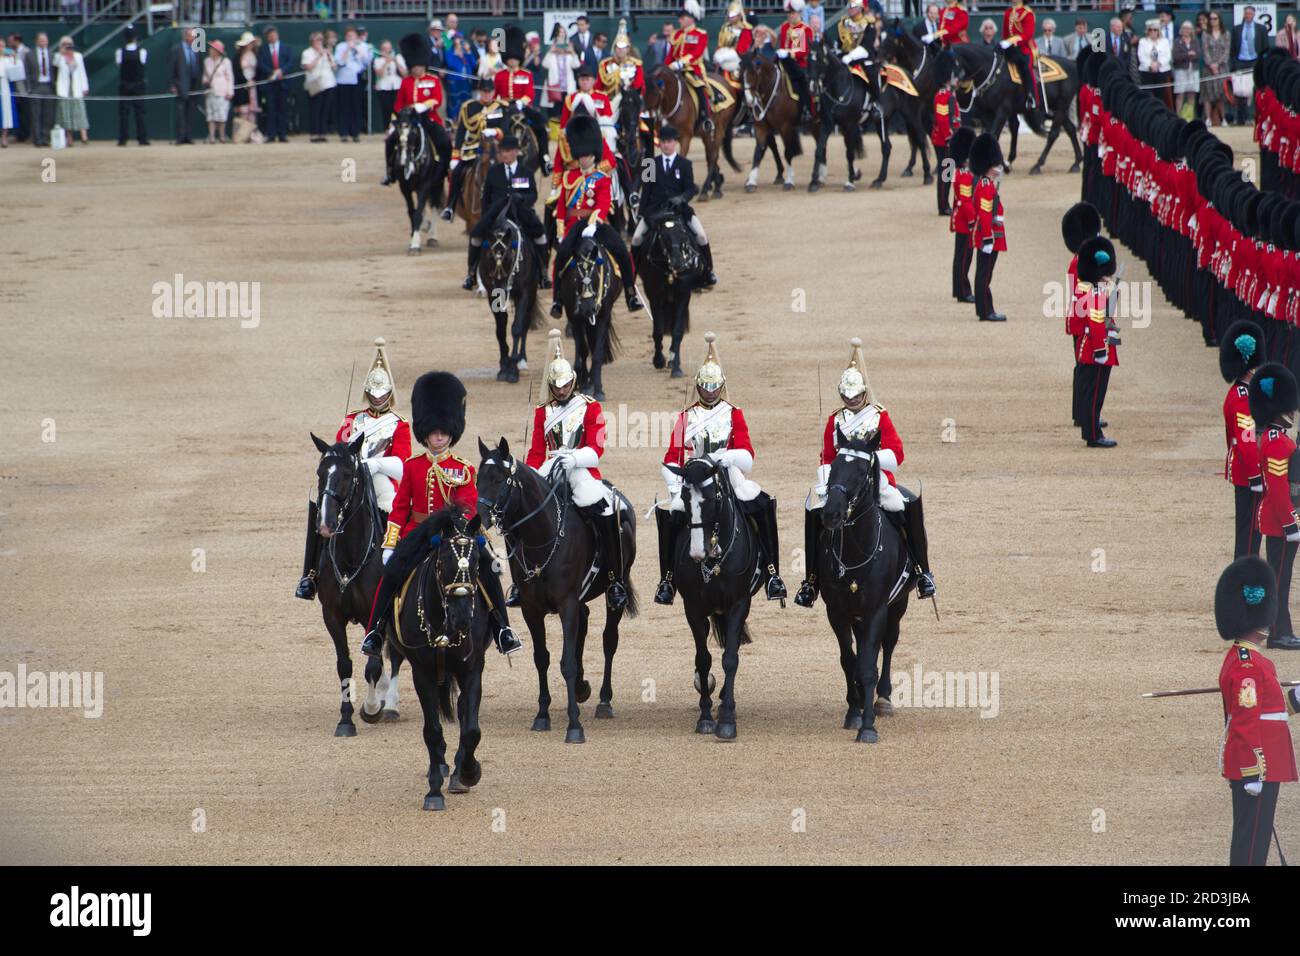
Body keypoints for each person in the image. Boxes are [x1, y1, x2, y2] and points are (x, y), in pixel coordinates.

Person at [362, 371, 522, 659]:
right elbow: (400, 508)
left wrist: (469, 535)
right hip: (417, 532)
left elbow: (471, 507)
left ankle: (502, 629)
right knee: (391, 573)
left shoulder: (463, 468)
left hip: (455, 535)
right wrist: (390, 543)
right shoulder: (412, 466)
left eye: (444, 432)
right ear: (425, 434)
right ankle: (375, 631)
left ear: (452, 432)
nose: (439, 436)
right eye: (434, 432)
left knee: (488, 571)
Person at [794, 338, 935, 607]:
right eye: (847, 396)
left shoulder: (879, 416)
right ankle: (811, 580)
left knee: (904, 505)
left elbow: (897, 453)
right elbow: (827, 455)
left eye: (856, 396)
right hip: (841, 483)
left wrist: (870, 460)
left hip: (875, 480)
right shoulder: (835, 419)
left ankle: (922, 570)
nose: (852, 400)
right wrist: (826, 484)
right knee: (815, 513)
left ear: (864, 392)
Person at [655, 332, 787, 605]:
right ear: (698, 386)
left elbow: (748, 454)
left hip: (728, 474)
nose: (710, 391)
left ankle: (773, 573)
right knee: (672, 514)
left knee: (760, 504)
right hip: (694, 477)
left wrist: (730, 457)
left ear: (722, 386)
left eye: (715, 387)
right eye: (705, 387)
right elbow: (672, 455)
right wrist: (674, 486)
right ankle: (667, 579)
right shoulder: (685, 416)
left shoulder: (733, 413)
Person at [518, 330, 630, 611]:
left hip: (581, 467)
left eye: (566, 386)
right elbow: (535, 451)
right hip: (550, 465)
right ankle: (520, 580)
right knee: (521, 507)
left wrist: (575, 459)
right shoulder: (542, 411)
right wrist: (530, 476)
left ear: (573, 382)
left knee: (603, 510)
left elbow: (597, 447)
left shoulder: (590, 407)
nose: (562, 390)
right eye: (556, 387)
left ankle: (615, 579)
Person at [297, 340, 412, 601]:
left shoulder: (399, 424)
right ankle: (311, 574)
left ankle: (396, 566)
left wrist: (375, 465)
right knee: (322, 503)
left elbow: (402, 465)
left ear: (389, 392)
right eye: (373, 392)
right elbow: (338, 447)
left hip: (381, 478)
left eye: (382, 393)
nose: (378, 397)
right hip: (351, 478)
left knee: (394, 508)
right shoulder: (353, 419)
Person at [1213, 556, 1300, 866]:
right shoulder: (1247, 665)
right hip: (1259, 767)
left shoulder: (1250, 661)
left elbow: (1271, 712)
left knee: (1255, 845)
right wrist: (1252, 772)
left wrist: (1297, 699)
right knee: (1251, 851)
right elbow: (1246, 721)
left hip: (1264, 764)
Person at [549, 114, 642, 316]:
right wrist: (560, 230)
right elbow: (562, 208)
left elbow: (604, 203)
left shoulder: (602, 178)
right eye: (580, 156)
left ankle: (630, 293)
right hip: (573, 224)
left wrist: (594, 222)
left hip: (597, 224)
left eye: (587, 156)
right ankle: (557, 301)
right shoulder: (568, 177)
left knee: (623, 254)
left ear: (594, 156)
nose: (583, 159)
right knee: (560, 258)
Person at [1248, 363, 1300, 650]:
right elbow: (1280, 490)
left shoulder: (1272, 437)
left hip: (1276, 519)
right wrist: (1291, 524)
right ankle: (1279, 633)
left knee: (1281, 577)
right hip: (1280, 523)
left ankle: (1281, 628)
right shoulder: (1278, 442)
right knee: (1280, 579)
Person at [632, 125, 717, 287]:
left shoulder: (685, 164)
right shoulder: (650, 163)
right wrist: (641, 214)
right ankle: (632, 276)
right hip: (655, 211)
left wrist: (682, 198)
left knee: (701, 236)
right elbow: (646, 190)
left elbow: (690, 188)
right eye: (663, 142)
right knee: (636, 238)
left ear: (675, 143)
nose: (665, 145)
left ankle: (708, 271)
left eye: (669, 141)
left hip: (679, 210)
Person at [464, 134, 550, 292]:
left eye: (508, 151)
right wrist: (485, 217)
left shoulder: (526, 172)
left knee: (541, 234)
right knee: (476, 235)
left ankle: (543, 272)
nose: (504, 154)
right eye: (502, 151)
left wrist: (522, 199)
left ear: (516, 152)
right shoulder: (493, 172)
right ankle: (471, 272)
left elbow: (533, 195)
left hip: (521, 211)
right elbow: (486, 197)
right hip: (497, 213)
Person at [1220, 321, 1266, 560]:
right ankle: (1245, 579)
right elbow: (1248, 442)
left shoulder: (1246, 393)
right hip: (1248, 474)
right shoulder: (1241, 399)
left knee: (1254, 531)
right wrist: (1256, 476)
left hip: (1251, 471)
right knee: (1249, 533)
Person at [381, 34, 447, 187]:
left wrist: (423, 106)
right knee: (390, 141)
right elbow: (398, 105)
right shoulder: (406, 82)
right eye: (414, 67)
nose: (417, 69)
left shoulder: (433, 80)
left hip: (428, 118)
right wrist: (394, 122)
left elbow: (437, 100)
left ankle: (444, 169)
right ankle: (390, 171)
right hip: (408, 121)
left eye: (420, 66)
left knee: (443, 140)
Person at [1075, 235, 1120, 447]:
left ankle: (1090, 429)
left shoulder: (1091, 290)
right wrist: (1101, 350)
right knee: (1094, 394)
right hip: (1096, 350)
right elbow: (1096, 323)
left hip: (1090, 347)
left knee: (1091, 392)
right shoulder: (1094, 294)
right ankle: (1094, 434)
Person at [443, 78, 507, 224]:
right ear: (479, 92)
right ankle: (450, 207)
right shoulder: (469, 107)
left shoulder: (500, 107)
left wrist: (496, 132)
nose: (487, 95)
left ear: (493, 92)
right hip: (473, 150)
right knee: (458, 172)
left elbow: (505, 129)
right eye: (484, 92)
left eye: (489, 92)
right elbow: (460, 132)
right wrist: (455, 155)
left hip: (495, 150)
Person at [1061, 201, 1101, 430]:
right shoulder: (1079, 263)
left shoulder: (1079, 260)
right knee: (1086, 371)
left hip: (1079, 320)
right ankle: (1085, 413)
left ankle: (1081, 413)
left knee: (1082, 369)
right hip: (1082, 322)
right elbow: (1085, 298)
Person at [494, 26, 550, 168]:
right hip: (504, 107)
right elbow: (495, 94)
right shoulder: (500, 75)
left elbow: (529, 94)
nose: (513, 61)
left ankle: (545, 158)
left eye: (515, 59)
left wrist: (521, 102)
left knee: (540, 127)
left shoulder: (526, 75)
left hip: (521, 107)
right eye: (510, 59)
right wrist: (500, 103)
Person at [969, 132, 1007, 323]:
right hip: (989, 237)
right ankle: (985, 310)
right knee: (984, 274)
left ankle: (984, 309)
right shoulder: (985, 186)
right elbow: (985, 216)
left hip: (991, 235)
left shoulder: (988, 184)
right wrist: (988, 238)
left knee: (985, 273)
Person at [666, 0, 713, 133]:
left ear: (691, 19)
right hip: (674, 68)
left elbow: (697, 53)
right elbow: (670, 54)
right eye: (680, 18)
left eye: (683, 18)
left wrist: (682, 63)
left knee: (699, 88)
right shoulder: (677, 34)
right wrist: (666, 67)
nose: (680, 21)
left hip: (693, 69)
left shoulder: (700, 34)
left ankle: (706, 118)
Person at [948, 126, 976, 304]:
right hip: (965, 221)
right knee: (964, 256)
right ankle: (963, 290)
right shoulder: (964, 175)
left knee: (961, 255)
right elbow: (966, 202)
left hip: (962, 220)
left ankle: (960, 289)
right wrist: (974, 220)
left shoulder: (962, 172)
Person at [930, 53, 959, 217]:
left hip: (947, 139)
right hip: (944, 140)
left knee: (948, 172)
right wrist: (950, 137)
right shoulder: (942, 95)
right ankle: (943, 205)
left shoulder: (948, 94)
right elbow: (942, 120)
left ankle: (945, 203)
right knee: (946, 173)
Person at [778, 0, 816, 124]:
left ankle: (806, 110)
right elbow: (783, 44)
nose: (790, 15)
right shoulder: (784, 27)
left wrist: (789, 53)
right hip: (784, 63)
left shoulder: (804, 29)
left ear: (799, 13)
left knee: (803, 86)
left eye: (793, 13)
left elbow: (803, 51)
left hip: (799, 65)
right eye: (789, 13)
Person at [1230, 5, 1269, 125]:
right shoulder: (1237, 29)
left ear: (1254, 14)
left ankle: (1256, 117)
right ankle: (1241, 119)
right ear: (1243, 14)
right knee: (1241, 91)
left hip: (1255, 61)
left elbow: (1265, 47)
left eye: (1250, 14)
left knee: (1256, 90)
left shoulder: (1261, 29)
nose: (1248, 16)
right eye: (1246, 13)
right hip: (1241, 62)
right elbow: (1233, 49)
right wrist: (1234, 64)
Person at [999, 0, 1039, 111]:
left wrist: (1012, 41)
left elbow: (1027, 34)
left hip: (1024, 48)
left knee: (1026, 68)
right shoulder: (1008, 12)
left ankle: (1032, 97)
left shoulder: (1027, 13)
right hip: (1010, 47)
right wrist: (1004, 43)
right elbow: (1005, 32)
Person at [334, 26, 371, 143]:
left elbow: (366, 62)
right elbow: (339, 62)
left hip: (357, 80)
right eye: (348, 36)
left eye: (353, 36)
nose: (351, 38)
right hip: (343, 80)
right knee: (344, 107)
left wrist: (358, 50)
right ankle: (343, 133)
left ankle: (355, 133)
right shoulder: (340, 47)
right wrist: (347, 50)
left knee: (356, 107)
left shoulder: (363, 46)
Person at [114, 25, 149, 147]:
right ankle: (142, 138)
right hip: (138, 86)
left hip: (125, 86)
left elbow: (119, 66)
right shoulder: (142, 52)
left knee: (124, 114)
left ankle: (123, 139)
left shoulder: (119, 52)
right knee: (140, 113)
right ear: (135, 37)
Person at [257, 26, 292, 143]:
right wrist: (272, 73)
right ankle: (271, 134)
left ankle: (282, 134)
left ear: (277, 35)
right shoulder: (263, 49)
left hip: (283, 83)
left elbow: (290, 62)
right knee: (270, 109)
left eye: (273, 34)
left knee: (283, 109)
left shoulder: (286, 48)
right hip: (269, 84)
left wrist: (281, 71)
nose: (271, 36)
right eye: (269, 35)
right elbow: (261, 64)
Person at [301, 32, 337, 144]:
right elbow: (309, 67)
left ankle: (323, 133)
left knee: (325, 110)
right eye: (317, 40)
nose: (319, 42)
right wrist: (319, 56)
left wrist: (328, 56)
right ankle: (314, 134)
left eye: (321, 40)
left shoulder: (326, 52)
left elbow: (334, 67)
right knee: (315, 110)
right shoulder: (307, 53)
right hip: (315, 84)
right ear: (312, 41)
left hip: (328, 83)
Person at [53, 35, 88, 146]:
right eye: (64, 44)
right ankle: (69, 138)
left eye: (69, 44)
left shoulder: (78, 56)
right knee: (66, 114)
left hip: (76, 88)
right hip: (64, 89)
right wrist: (62, 53)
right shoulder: (58, 56)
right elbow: (55, 64)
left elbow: (82, 72)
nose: (67, 46)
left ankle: (84, 135)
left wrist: (85, 86)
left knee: (80, 112)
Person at [22, 33, 54, 148]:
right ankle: (37, 139)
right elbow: (26, 72)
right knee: (36, 114)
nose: (44, 42)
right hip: (36, 86)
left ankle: (46, 138)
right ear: (36, 41)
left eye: (45, 40)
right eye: (41, 40)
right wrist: (29, 88)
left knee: (48, 114)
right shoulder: (29, 55)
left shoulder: (51, 54)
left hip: (48, 86)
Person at [541, 25, 577, 124]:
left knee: (568, 112)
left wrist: (572, 52)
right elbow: (545, 64)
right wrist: (550, 52)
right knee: (554, 114)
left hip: (567, 88)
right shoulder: (551, 52)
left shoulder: (569, 51)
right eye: (559, 33)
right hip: (555, 88)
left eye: (563, 32)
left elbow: (576, 65)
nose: (561, 35)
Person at [1200, 11, 1230, 127]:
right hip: (1208, 68)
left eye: (1215, 19)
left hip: (1222, 68)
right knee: (1207, 94)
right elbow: (1205, 50)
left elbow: (1226, 51)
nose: (1212, 21)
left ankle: (1223, 119)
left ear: (1219, 20)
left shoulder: (1226, 33)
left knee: (1221, 94)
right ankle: (1208, 119)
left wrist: (1218, 64)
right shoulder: (1205, 34)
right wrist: (1211, 64)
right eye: (1211, 19)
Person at [203, 39, 234, 144]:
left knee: (222, 115)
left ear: (217, 51)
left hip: (222, 91)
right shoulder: (206, 61)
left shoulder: (226, 62)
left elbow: (230, 77)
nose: (210, 50)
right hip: (210, 91)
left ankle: (222, 136)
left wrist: (230, 92)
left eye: (212, 49)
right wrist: (205, 81)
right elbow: (205, 75)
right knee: (210, 114)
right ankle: (212, 137)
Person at [1137, 19, 1173, 110]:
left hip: (1162, 71)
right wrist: (1150, 65)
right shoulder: (1142, 41)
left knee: (1160, 95)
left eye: (1155, 30)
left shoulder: (1164, 41)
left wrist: (1158, 64)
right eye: (1150, 30)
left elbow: (1167, 56)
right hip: (1146, 72)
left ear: (1158, 31)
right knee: (1147, 95)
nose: (1152, 32)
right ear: (1147, 31)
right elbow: (1141, 56)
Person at [233, 32, 262, 143]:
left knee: (252, 113)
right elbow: (237, 72)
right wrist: (245, 82)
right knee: (243, 113)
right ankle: (241, 136)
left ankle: (252, 136)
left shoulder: (255, 55)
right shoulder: (237, 57)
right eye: (249, 43)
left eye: (252, 43)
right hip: (242, 88)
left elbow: (257, 71)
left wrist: (253, 81)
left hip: (253, 87)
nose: (250, 45)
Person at [372, 38, 405, 129]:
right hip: (383, 87)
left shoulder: (398, 57)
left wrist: (396, 62)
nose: (387, 50)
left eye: (388, 48)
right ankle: (387, 129)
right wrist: (386, 62)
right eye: (384, 48)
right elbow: (380, 74)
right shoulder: (378, 60)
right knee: (386, 110)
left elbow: (404, 73)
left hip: (396, 86)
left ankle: (398, 129)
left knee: (397, 109)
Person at [1172, 21, 1200, 119]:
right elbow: (1175, 56)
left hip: (1193, 70)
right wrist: (1187, 55)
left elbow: (1198, 54)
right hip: (1181, 70)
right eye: (1184, 28)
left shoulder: (1195, 41)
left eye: (1188, 28)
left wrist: (1193, 55)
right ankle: (1178, 116)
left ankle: (1189, 116)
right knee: (1180, 94)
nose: (1186, 31)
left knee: (1191, 94)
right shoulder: (1177, 41)